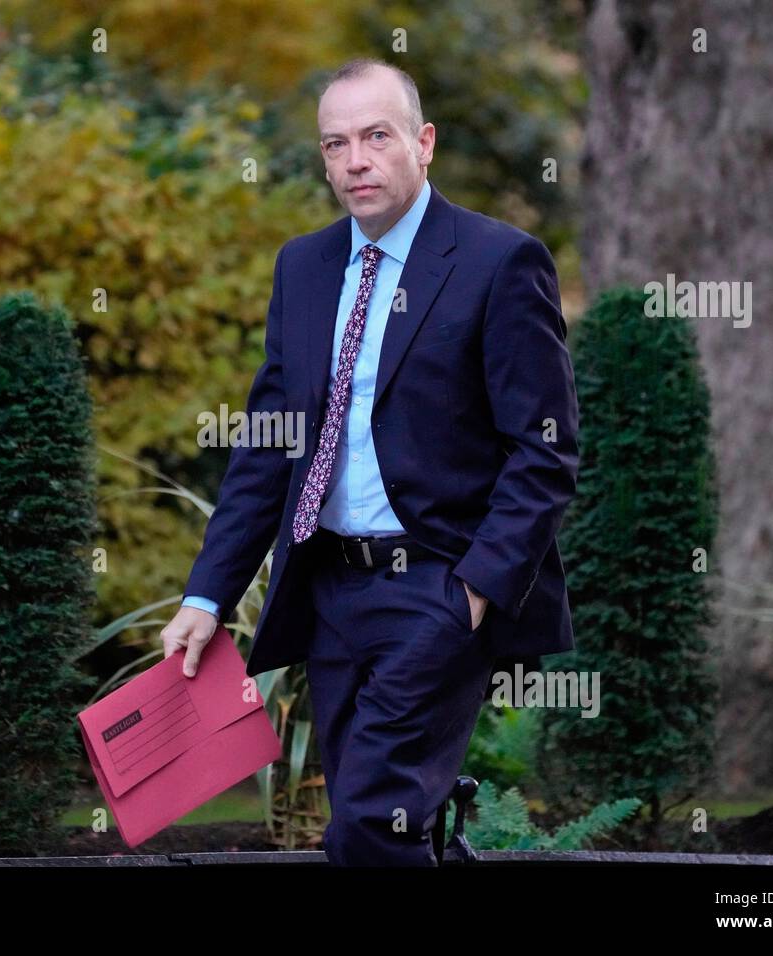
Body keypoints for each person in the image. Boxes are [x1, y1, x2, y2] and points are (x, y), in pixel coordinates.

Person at [159, 57, 580, 866]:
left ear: (423, 143)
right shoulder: (305, 267)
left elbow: (546, 450)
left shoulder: (499, 263)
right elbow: (269, 444)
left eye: (376, 137)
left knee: (365, 825)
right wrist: (209, 594)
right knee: (387, 828)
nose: (355, 160)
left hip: (438, 590)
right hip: (330, 593)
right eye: (335, 144)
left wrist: (479, 591)